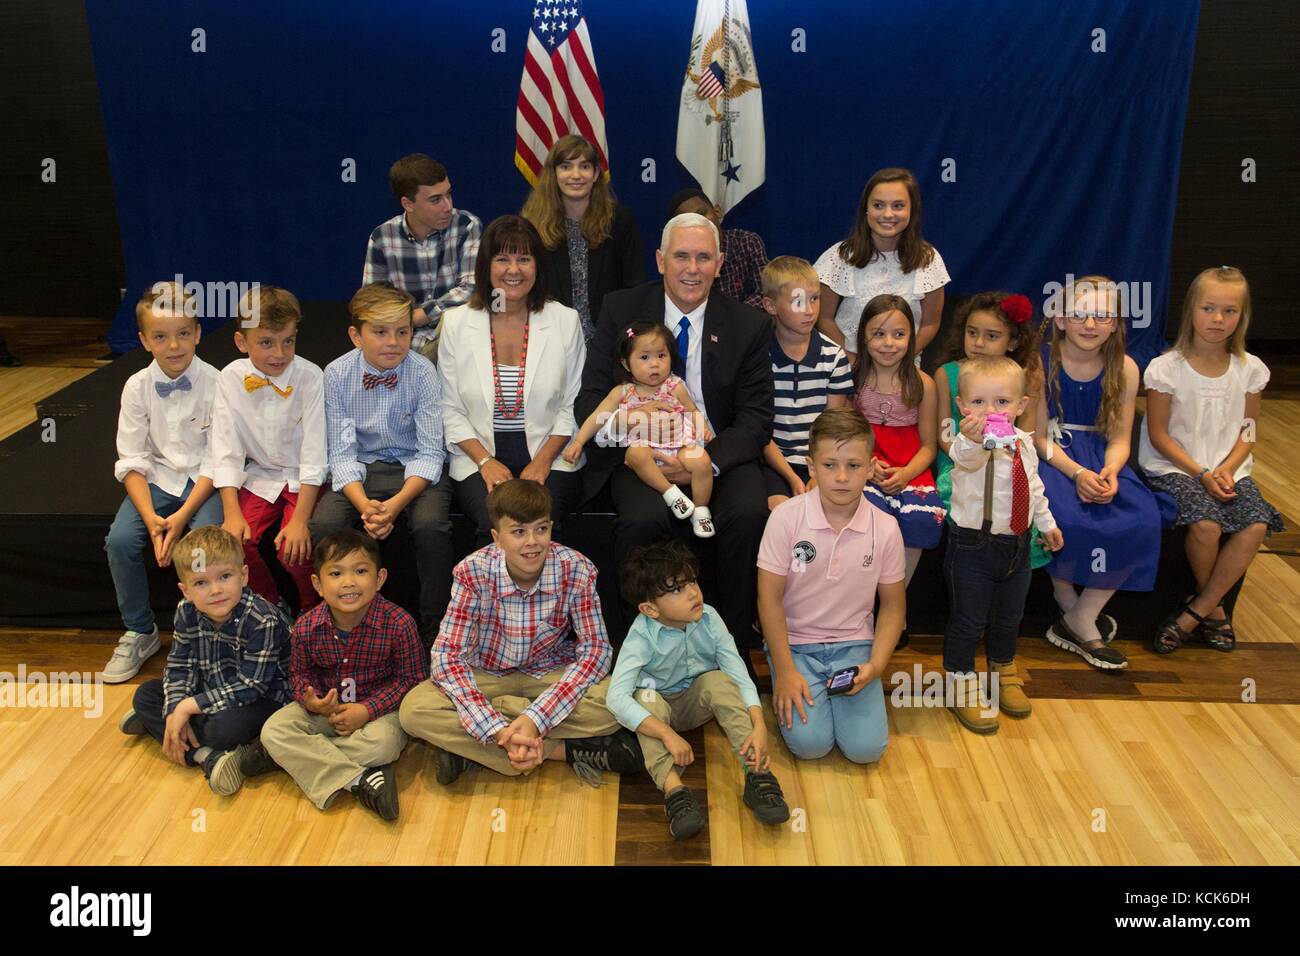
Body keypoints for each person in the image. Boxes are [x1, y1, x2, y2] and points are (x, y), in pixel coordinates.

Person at [575, 212, 773, 644]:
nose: (692, 268)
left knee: (748, 513)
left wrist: (704, 464)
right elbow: (590, 398)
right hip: (640, 454)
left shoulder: (749, 325)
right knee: (641, 521)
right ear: (661, 259)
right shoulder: (620, 309)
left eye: (704, 258)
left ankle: (734, 647)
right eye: (682, 256)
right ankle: (639, 652)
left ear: (720, 264)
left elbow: (756, 418)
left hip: (715, 452)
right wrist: (625, 436)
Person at [399, 480, 643, 786]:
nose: (532, 542)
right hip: (485, 673)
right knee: (413, 711)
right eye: (518, 532)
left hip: (548, 673)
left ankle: (476, 748)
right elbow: (447, 656)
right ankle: (557, 750)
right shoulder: (472, 572)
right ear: (496, 538)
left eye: (541, 529)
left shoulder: (576, 568)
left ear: (552, 528)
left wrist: (534, 717)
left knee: (627, 700)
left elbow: (596, 651)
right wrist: (500, 728)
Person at [1140, 266, 1283, 653]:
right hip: (1177, 467)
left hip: (1228, 469)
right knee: (1205, 525)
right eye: (1209, 309)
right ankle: (1216, 611)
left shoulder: (1250, 369)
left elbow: (1248, 431)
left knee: (1255, 525)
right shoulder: (1166, 368)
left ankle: (1197, 608)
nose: (1218, 320)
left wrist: (1228, 467)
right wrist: (1202, 472)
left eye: (1229, 311)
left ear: (1242, 316)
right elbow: (1159, 435)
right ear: (1191, 311)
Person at [607, 541, 788, 840]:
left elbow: (736, 671)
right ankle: (674, 792)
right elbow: (616, 697)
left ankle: (757, 775)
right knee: (646, 698)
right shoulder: (640, 636)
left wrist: (758, 724)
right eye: (676, 589)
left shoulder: (710, 617)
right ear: (650, 609)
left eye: (691, 581)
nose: (692, 592)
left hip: (693, 701)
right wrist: (665, 733)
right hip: (658, 709)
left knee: (718, 681)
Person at [757, 409, 906, 763]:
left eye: (854, 466)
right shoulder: (785, 519)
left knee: (866, 750)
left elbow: (894, 607)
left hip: (855, 646)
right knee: (811, 746)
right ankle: (794, 679)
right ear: (811, 466)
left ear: (871, 468)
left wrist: (875, 666)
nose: (842, 477)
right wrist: (786, 671)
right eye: (829, 465)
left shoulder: (885, 529)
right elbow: (768, 600)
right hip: (795, 647)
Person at [309, 283, 454, 647]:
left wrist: (394, 506)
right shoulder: (337, 374)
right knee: (325, 523)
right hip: (362, 469)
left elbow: (431, 452)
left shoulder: (422, 373)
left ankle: (433, 626)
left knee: (431, 525)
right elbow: (341, 454)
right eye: (380, 332)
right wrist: (365, 505)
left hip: (415, 471)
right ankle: (336, 620)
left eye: (402, 332)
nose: (393, 342)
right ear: (356, 336)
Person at [1035, 275, 1168, 669]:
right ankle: (1069, 608)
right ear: (1059, 319)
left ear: (1115, 324)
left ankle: (1081, 615)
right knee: (1061, 513)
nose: (1089, 325)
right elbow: (1037, 436)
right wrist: (1076, 474)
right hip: (1055, 456)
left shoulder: (1125, 368)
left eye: (1101, 316)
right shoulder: (1039, 362)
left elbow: (1121, 437)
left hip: (1102, 454)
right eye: (1078, 315)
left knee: (1142, 516)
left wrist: (1110, 469)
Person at [439, 215, 587, 547]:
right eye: (502, 259)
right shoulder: (457, 323)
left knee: (538, 522)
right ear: (485, 266)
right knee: (494, 523)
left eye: (524, 259)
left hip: (552, 449)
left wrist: (543, 462)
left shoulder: (564, 321)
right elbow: (449, 408)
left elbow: (572, 405)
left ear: (538, 265)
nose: (514, 270)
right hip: (479, 451)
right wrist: (486, 462)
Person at [259, 530, 427, 821]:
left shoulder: (400, 624)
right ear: (318, 584)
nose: (349, 582)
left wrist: (367, 709)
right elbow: (299, 674)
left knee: (382, 745)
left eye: (360, 571)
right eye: (336, 573)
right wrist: (312, 702)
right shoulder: (306, 626)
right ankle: (359, 779)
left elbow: (412, 679)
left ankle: (291, 757)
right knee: (273, 730)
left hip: (378, 712)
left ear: (379, 579)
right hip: (327, 711)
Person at [103, 281, 224, 683]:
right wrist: (154, 518)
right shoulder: (136, 387)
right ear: (143, 340)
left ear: (198, 333)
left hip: (202, 481)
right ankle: (140, 630)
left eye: (183, 334)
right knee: (120, 541)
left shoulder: (218, 383)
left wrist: (182, 517)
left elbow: (218, 458)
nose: (174, 346)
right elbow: (132, 460)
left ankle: (212, 630)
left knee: (206, 541)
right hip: (156, 479)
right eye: (160, 337)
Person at [118, 526, 291, 796]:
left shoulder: (262, 619)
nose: (216, 590)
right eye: (201, 583)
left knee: (222, 729)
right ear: (185, 590)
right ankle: (205, 756)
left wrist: (189, 706)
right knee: (144, 695)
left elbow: (252, 685)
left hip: (263, 698)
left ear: (243, 575)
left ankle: (168, 730)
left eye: (224, 576)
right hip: (211, 692)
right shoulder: (185, 612)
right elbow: (179, 667)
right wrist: (176, 707)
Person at [943, 357, 1064, 734]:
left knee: (1009, 616)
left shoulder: (1025, 443)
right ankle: (960, 681)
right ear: (963, 406)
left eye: (1001, 402)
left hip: (1018, 547)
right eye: (978, 402)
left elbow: (1033, 488)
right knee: (969, 619)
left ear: (1020, 406)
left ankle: (1002, 667)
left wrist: (1046, 524)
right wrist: (975, 440)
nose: (990, 410)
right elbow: (962, 459)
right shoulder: (967, 444)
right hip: (972, 547)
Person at [934, 293, 1061, 595]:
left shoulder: (1021, 376)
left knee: (1020, 497)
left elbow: (1026, 435)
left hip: (1010, 458)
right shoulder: (947, 374)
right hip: (959, 459)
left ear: (1012, 342)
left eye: (991, 336)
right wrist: (968, 447)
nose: (978, 342)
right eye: (972, 332)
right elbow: (945, 434)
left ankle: (1012, 571)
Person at [210, 286, 325, 614]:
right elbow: (226, 448)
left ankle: (310, 610)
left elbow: (315, 454)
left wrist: (300, 519)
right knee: (234, 543)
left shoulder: (310, 377)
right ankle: (270, 608)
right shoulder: (230, 378)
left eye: (288, 341)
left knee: (295, 548)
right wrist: (232, 514)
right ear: (241, 342)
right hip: (260, 477)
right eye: (266, 343)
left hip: (304, 480)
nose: (279, 353)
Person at [565, 320, 715, 537]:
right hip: (645, 450)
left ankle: (700, 510)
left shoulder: (675, 386)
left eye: (661, 356)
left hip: (679, 446)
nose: (654, 364)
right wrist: (579, 441)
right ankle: (671, 494)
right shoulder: (623, 392)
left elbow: (692, 410)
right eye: (644, 357)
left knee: (701, 460)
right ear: (626, 364)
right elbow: (598, 417)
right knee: (635, 453)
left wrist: (702, 428)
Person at [853, 295, 946, 581]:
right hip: (865, 461)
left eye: (899, 334)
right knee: (869, 513)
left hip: (909, 467)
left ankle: (897, 599)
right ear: (863, 338)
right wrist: (866, 462)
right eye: (878, 334)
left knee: (922, 518)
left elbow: (929, 446)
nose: (889, 343)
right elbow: (844, 430)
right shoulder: (854, 377)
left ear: (911, 337)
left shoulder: (923, 384)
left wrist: (905, 474)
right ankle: (864, 597)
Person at [814, 168, 949, 362]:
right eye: (878, 205)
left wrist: (898, 362)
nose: (887, 214)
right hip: (847, 365)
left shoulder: (928, 259)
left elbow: (930, 324)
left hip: (904, 366)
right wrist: (852, 360)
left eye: (898, 206)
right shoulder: (840, 256)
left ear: (912, 209)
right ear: (866, 209)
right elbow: (823, 318)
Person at [521, 134, 645, 342]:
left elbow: (634, 287)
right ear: (554, 173)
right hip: (551, 338)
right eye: (566, 166)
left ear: (596, 174)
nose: (576, 175)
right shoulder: (533, 224)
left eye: (585, 166)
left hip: (608, 339)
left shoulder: (620, 221)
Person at [362, 153, 481, 357]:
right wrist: (402, 324)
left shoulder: (466, 225)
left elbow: (472, 289)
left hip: (455, 337)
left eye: (448, 194)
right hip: (402, 342)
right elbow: (372, 302)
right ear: (408, 204)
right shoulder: (382, 237)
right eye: (436, 200)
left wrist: (419, 316)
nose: (448, 206)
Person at [760, 256, 854, 510]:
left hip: (821, 459)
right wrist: (791, 478)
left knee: (823, 509)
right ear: (770, 305)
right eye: (798, 302)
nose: (810, 310)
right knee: (778, 511)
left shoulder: (833, 357)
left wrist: (816, 472)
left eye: (814, 299)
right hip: (772, 462)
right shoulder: (759, 357)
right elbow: (760, 431)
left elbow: (832, 426)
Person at [668, 187, 767, 308]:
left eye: (701, 214)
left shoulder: (747, 242)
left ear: (717, 211)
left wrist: (737, 317)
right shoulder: (677, 259)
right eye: (689, 220)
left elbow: (766, 294)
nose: (700, 222)